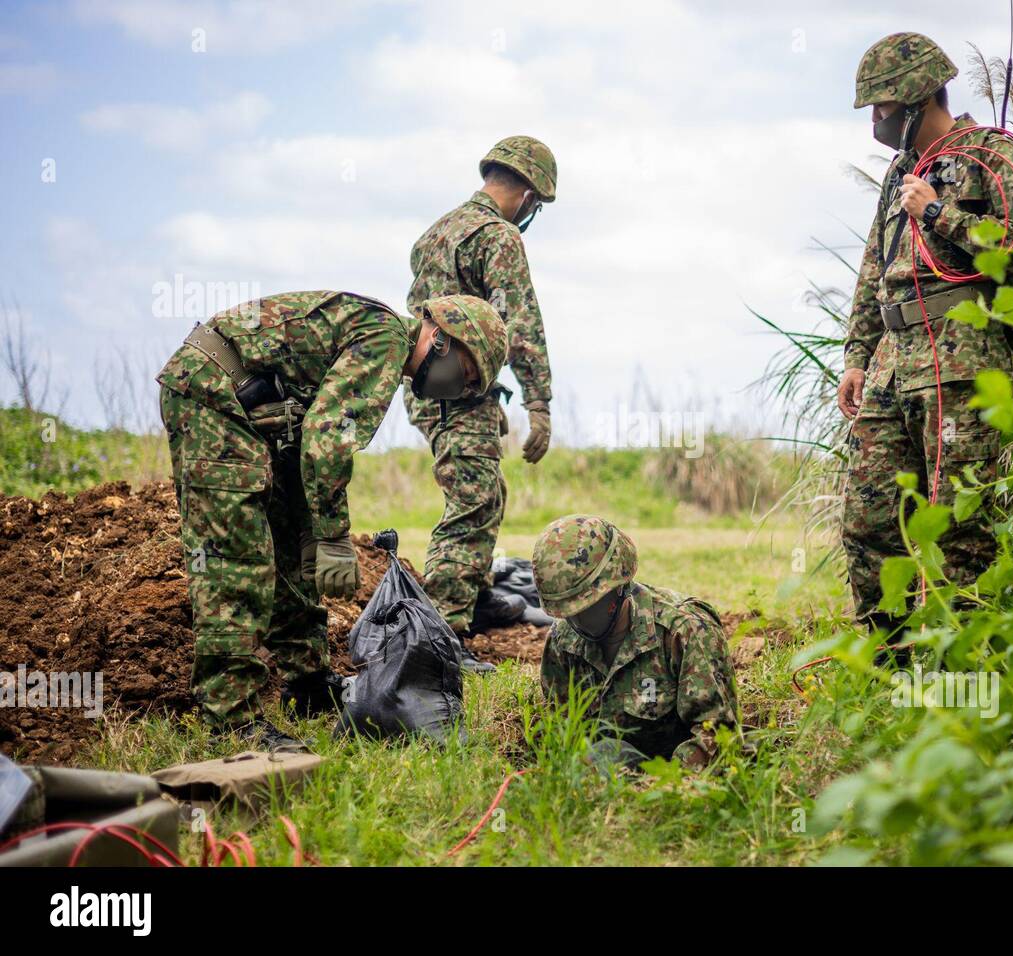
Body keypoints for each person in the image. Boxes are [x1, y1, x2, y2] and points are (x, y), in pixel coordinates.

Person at [156, 292, 506, 748]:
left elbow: (314, 439)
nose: (458, 390)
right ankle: (230, 722)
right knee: (236, 561)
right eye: (465, 374)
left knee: (293, 545)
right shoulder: (384, 339)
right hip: (213, 400)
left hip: (259, 416)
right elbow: (328, 441)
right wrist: (334, 537)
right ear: (441, 338)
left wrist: (314, 532)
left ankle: (308, 687)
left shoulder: (381, 341)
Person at [837, 32, 1013, 642]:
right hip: (891, 362)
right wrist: (856, 357)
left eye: (882, 108)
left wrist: (939, 213)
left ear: (917, 99)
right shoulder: (899, 174)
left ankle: (966, 663)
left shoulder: (994, 154)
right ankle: (891, 660)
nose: (875, 122)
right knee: (869, 519)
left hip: (961, 357)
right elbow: (875, 270)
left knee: (960, 523)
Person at [403, 136, 557, 642]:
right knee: (472, 501)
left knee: (483, 492)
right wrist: (539, 401)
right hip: (457, 388)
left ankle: (475, 592)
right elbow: (519, 323)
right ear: (530, 197)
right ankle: (443, 632)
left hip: (429, 385)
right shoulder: (499, 237)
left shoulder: (435, 233)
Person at [532, 514, 740, 770]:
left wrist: (656, 789)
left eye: (588, 606)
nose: (578, 621)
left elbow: (718, 735)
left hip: (675, 782)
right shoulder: (563, 641)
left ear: (618, 586)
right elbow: (562, 734)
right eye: (567, 611)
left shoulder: (684, 630)